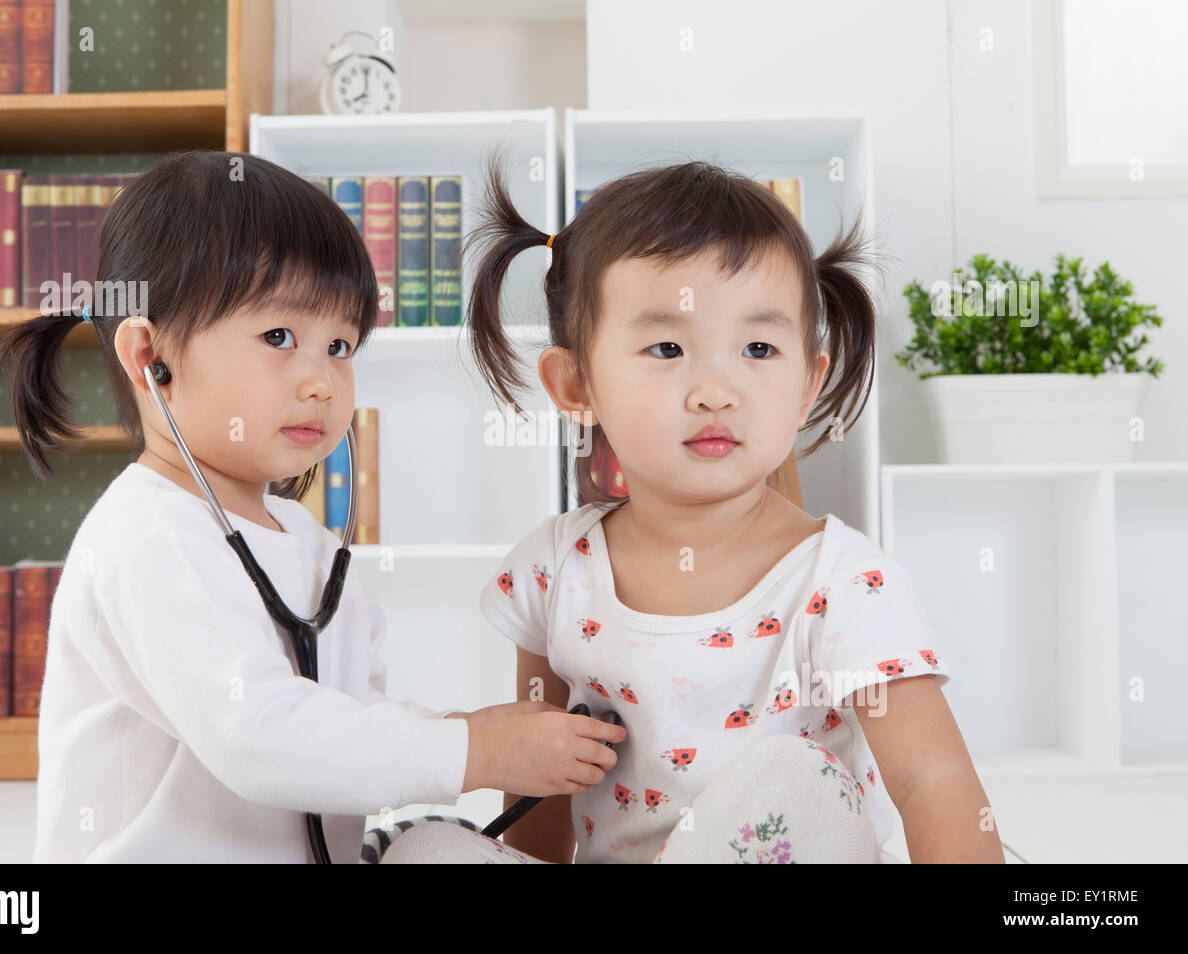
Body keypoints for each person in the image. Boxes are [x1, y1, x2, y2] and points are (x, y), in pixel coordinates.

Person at [0, 150, 625, 863]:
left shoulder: (307, 541)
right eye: (279, 338)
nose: (322, 381)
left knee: (440, 852)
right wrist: (472, 751)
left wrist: (470, 730)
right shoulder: (146, 538)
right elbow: (258, 735)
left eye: (341, 345)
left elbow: (343, 730)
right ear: (150, 359)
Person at [379, 151, 1003, 864]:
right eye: (668, 347)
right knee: (428, 851)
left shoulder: (843, 582)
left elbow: (933, 780)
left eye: (759, 348)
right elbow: (538, 784)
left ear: (808, 382)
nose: (715, 389)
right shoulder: (554, 571)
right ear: (576, 382)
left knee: (793, 780)